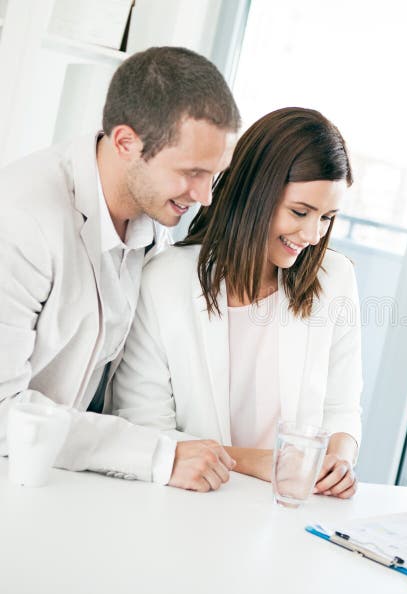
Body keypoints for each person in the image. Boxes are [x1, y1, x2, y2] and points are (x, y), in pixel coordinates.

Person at [0, 46, 242, 491]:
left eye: (214, 173)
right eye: (191, 172)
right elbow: (1, 408)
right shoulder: (21, 217)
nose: (205, 195)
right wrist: (155, 455)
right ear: (127, 143)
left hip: (65, 479)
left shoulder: (154, 222)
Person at [112, 107, 362, 499]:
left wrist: (340, 459)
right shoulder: (165, 280)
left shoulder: (335, 278)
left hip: (291, 514)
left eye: (328, 217)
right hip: (187, 506)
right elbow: (143, 425)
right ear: (254, 194)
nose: (313, 234)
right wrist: (255, 460)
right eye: (300, 212)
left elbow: (342, 407)